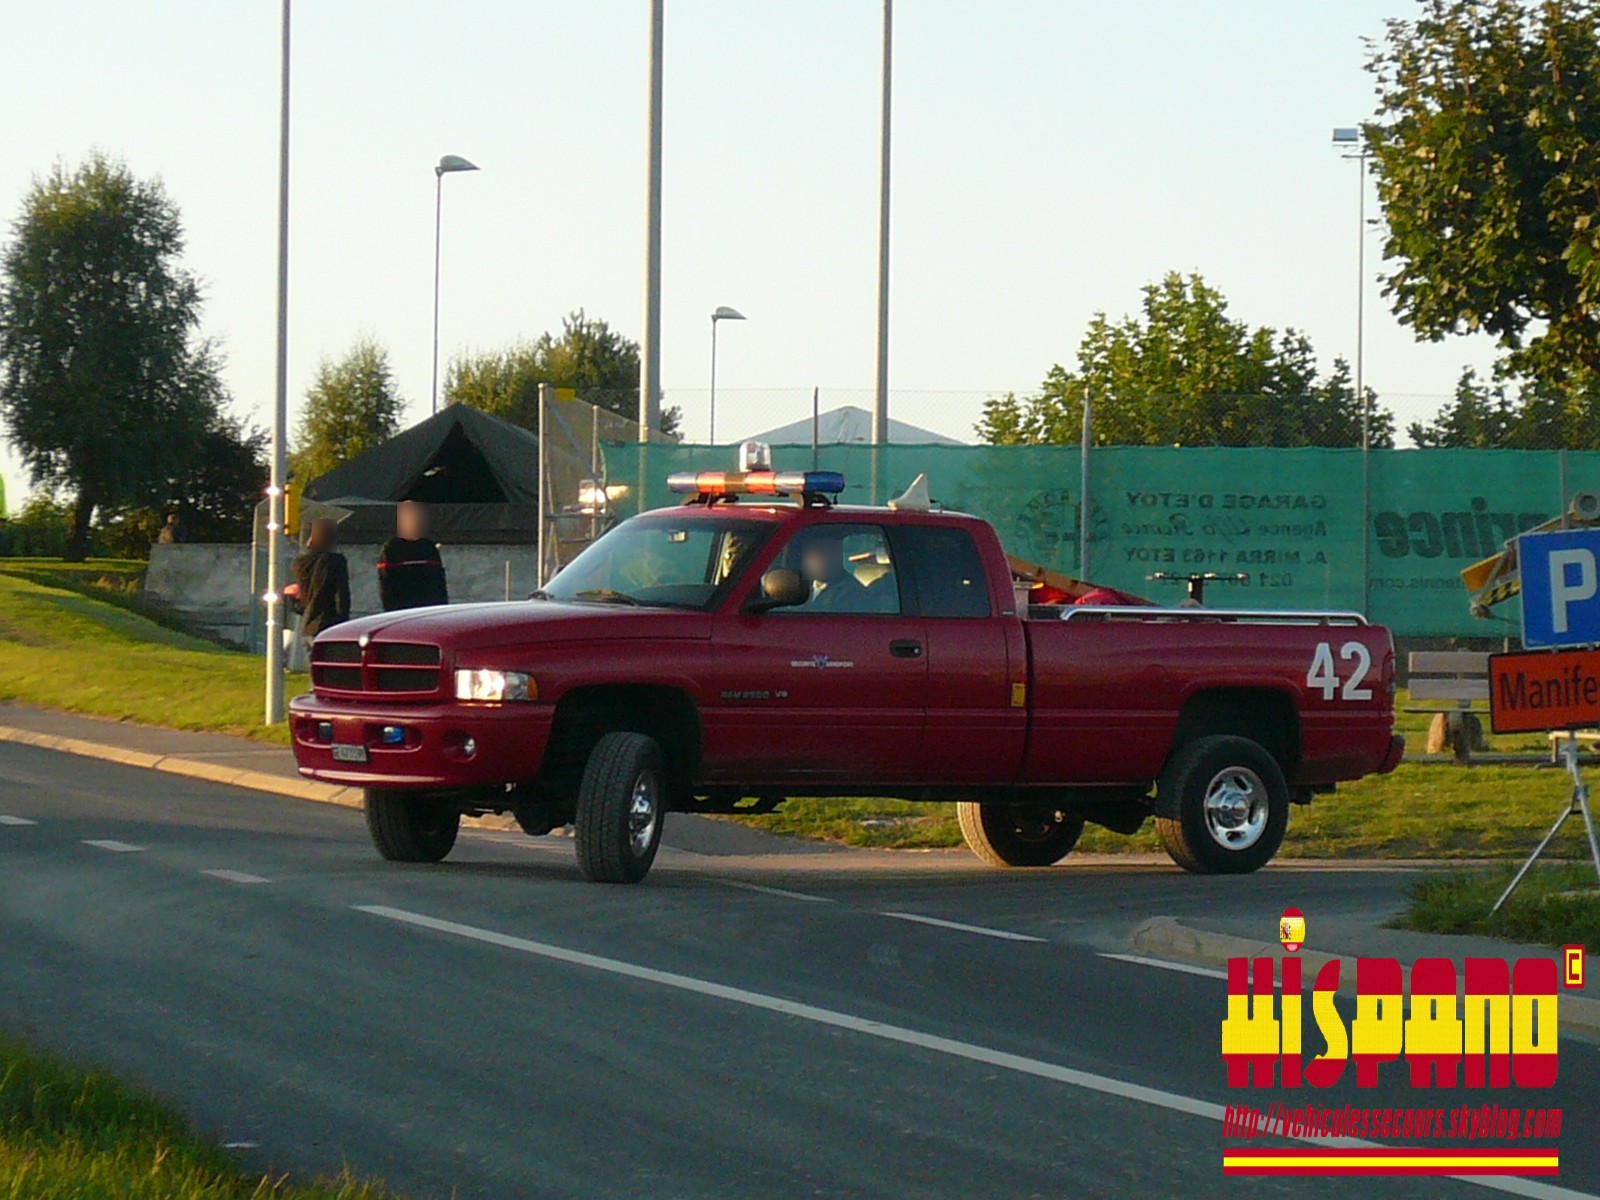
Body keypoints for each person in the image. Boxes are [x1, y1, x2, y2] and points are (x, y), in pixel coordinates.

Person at [289, 519, 351, 670]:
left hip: (308, 625)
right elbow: (341, 594)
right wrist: (344, 621)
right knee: (331, 674)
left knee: (315, 675)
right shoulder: (336, 561)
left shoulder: (300, 563)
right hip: (329, 624)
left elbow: (301, 595)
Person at [378, 500, 449, 611]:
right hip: (401, 614)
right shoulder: (392, 548)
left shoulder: (428, 547)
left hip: (428, 613)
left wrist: (439, 611)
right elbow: (386, 587)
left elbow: (439, 585)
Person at [798, 532, 871, 613]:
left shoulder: (852, 594)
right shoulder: (799, 587)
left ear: (838, 554)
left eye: (826, 551)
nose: (819, 558)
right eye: (813, 551)